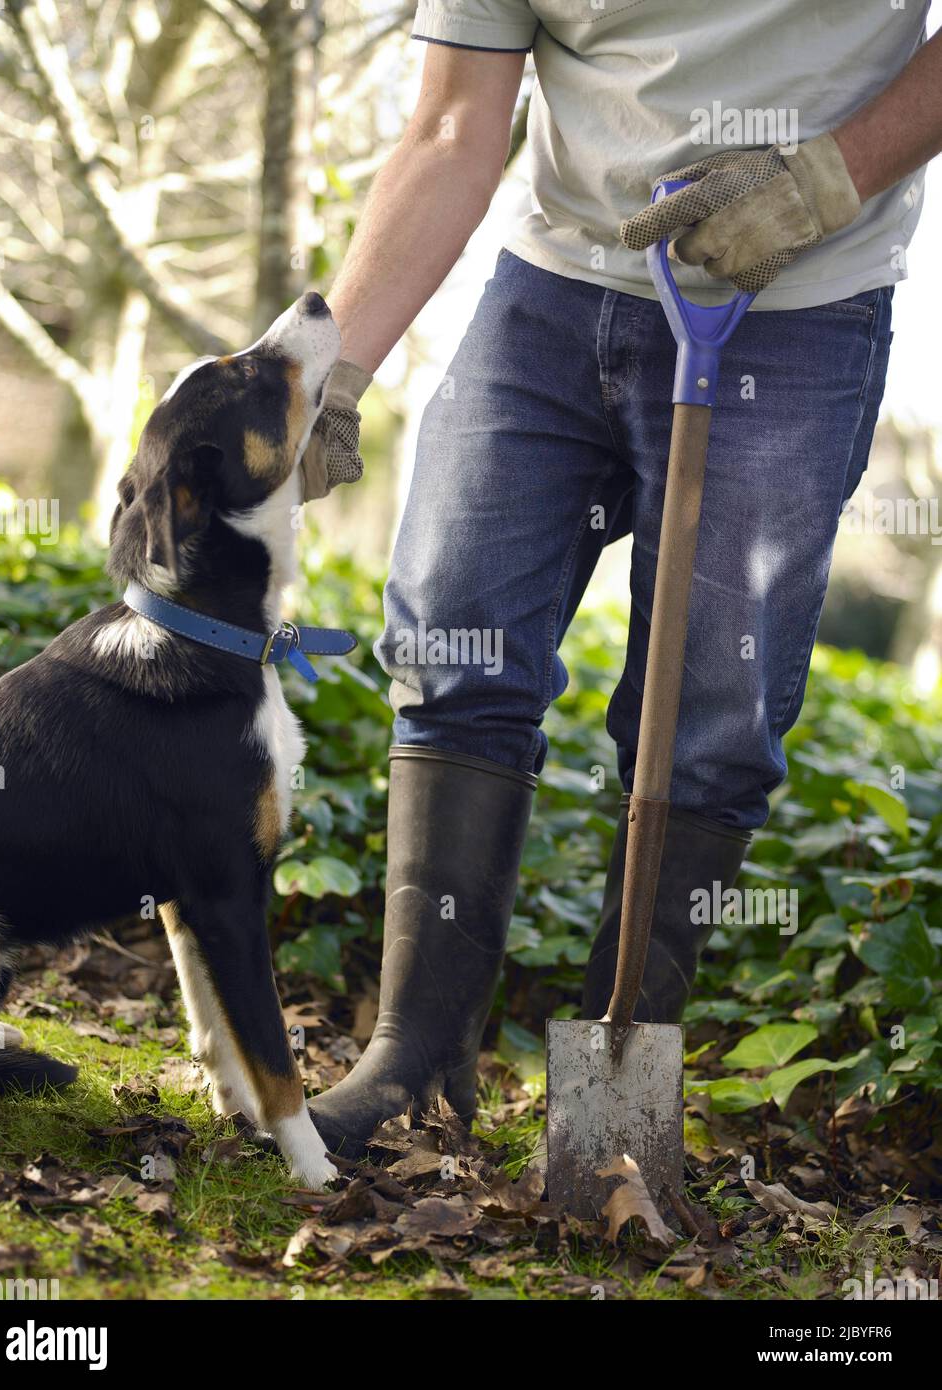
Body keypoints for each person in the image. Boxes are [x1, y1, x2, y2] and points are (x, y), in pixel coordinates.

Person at [304, 1, 942, 1155]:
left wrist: (818, 185)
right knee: (455, 634)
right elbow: (453, 126)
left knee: (709, 713)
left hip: (796, 310)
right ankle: (412, 1060)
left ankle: (612, 1097)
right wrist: (330, 367)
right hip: (550, 285)